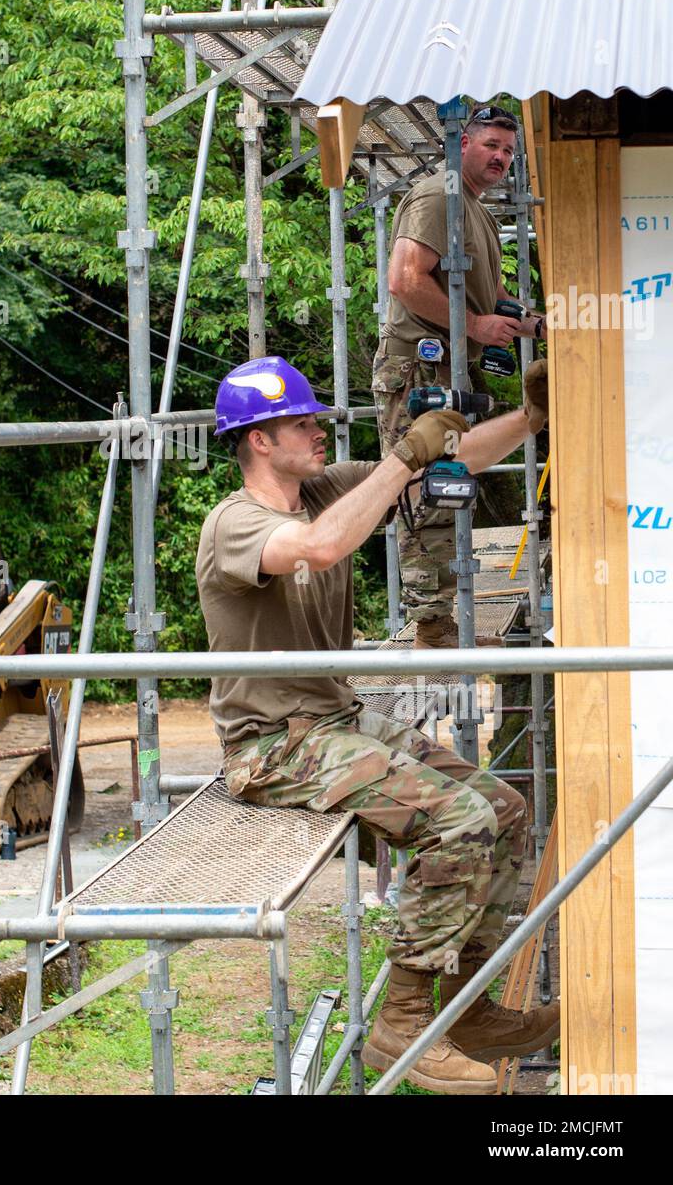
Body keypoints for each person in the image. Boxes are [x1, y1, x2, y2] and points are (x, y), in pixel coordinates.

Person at [197, 355, 556, 1094]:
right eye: (303, 423)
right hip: (273, 745)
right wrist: (401, 456)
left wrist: (530, 421)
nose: (320, 431)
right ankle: (401, 1022)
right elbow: (324, 546)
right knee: (455, 821)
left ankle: (462, 1004)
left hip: (334, 719)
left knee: (504, 809)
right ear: (259, 440)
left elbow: (446, 460)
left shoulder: (321, 488)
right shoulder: (235, 523)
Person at [372, 104, 545, 648]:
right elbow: (404, 280)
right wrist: (475, 324)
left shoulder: (476, 210)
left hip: (451, 365)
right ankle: (430, 622)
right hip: (418, 364)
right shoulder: (437, 196)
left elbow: (480, 289)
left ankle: (443, 620)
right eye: (492, 145)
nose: (501, 158)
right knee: (419, 481)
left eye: (510, 151)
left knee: (448, 482)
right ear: (463, 142)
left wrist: (526, 320)